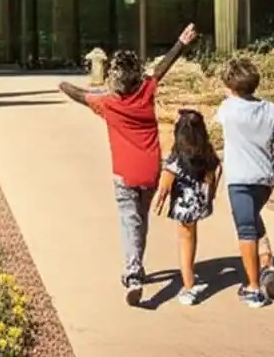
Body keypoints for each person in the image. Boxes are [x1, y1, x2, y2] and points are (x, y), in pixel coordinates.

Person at [59, 23, 197, 306]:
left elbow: (79, 95)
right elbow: (161, 69)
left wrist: (63, 85)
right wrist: (181, 42)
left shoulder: (108, 104)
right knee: (140, 221)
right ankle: (137, 268)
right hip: (150, 172)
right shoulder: (147, 91)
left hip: (123, 173)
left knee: (128, 220)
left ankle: (133, 273)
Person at [215, 57, 274, 307]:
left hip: (239, 178)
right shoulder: (271, 109)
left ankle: (253, 287)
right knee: (253, 217)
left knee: (245, 229)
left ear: (231, 85)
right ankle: (267, 264)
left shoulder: (227, 108)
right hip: (264, 178)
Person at [152, 109, 220, 306]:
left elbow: (165, 184)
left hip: (183, 207)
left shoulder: (177, 159)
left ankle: (188, 285)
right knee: (192, 238)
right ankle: (190, 276)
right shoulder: (207, 154)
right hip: (200, 205)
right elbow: (216, 172)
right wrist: (211, 194)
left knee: (185, 242)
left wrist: (159, 201)